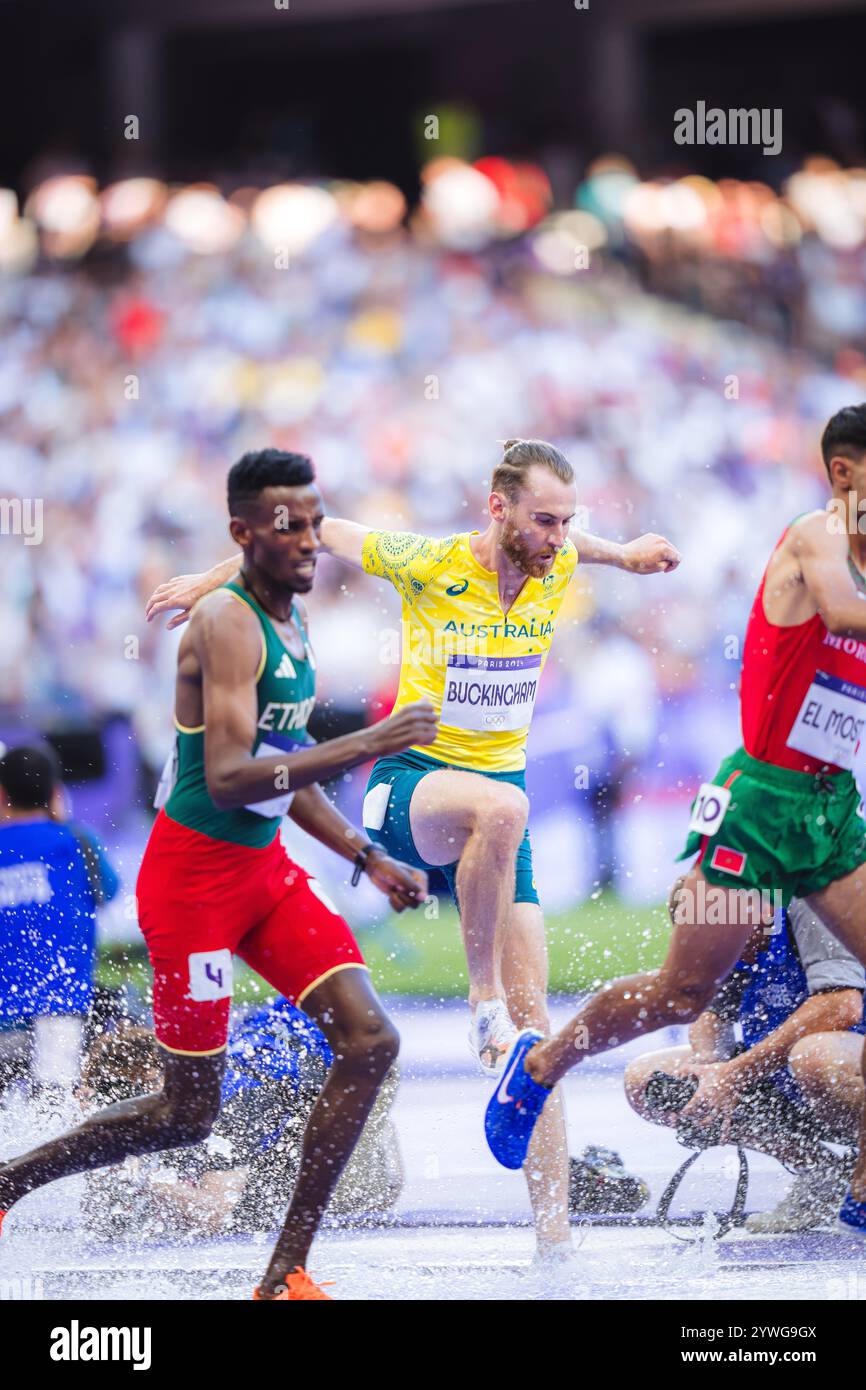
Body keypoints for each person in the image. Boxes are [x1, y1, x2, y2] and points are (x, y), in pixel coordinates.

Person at [145, 435, 680, 1260]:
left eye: (567, 523)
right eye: (543, 521)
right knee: (504, 806)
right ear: (497, 508)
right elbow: (317, 533)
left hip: (496, 828)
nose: (557, 538)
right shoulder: (430, 562)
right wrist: (213, 581)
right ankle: (479, 1003)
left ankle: (556, 1247)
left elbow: (588, 546)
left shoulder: (562, 558)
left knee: (539, 1035)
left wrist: (631, 552)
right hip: (412, 790)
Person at [0, 448, 437, 1301]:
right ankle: (11, 1181)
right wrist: (371, 741)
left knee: (370, 1042)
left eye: (315, 524)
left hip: (262, 871)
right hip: (192, 885)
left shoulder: (292, 619)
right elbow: (235, 776)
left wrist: (365, 854)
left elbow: (284, 770)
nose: (310, 542)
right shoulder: (226, 625)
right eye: (289, 527)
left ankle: (286, 1272)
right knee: (185, 1114)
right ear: (243, 533)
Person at [485, 403, 866, 1245]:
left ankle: (859, 1187)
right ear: (845, 473)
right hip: (760, 809)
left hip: (831, 810)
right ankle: (539, 1066)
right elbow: (844, 616)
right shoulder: (814, 536)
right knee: (680, 992)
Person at [623, 898, 864, 1232]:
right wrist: (707, 1069)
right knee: (646, 1078)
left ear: (759, 908)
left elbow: (841, 1007)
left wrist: (734, 1074)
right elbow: (711, 1017)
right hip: (794, 1085)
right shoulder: (732, 936)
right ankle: (823, 1174)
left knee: (814, 1055)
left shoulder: (812, 905)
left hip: (843, 1065)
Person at [79, 998, 403, 1240]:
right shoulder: (182, 1070)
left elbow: (213, 1214)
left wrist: (141, 1179)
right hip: (299, 1043)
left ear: (154, 1080)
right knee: (236, 1182)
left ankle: (370, 1140)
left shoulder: (230, 1105)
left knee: (350, 1201)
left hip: (361, 1062)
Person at [0, 744, 120, 1098]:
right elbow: (108, 891)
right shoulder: (78, 840)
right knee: (54, 1109)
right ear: (55, 793)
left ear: (1, 794)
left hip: (4, 1010)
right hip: (60, 1007)